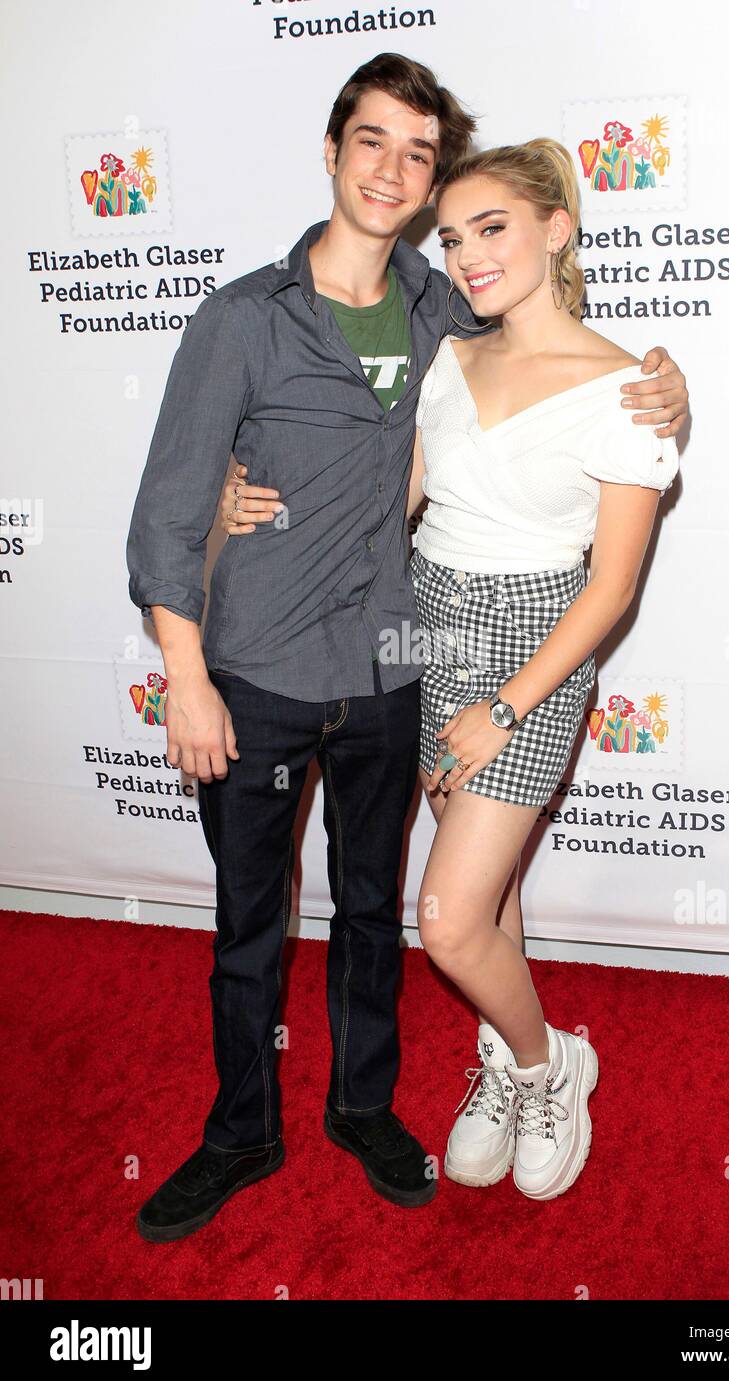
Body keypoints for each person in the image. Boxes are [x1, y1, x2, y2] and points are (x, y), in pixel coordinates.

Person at [127, 53, 690, 1240]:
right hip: (264, 665)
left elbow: (558, 372)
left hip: (395, 661)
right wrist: (185, 674)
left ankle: (366, 1107)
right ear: (332, 153)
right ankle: (239, 1133)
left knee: (388, 909)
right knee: (249, 924)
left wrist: (667, 383)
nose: (393, 171)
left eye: (418, 153)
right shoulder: (241, 318)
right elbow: (168, 515)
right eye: (370, 141)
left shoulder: (447, 310)